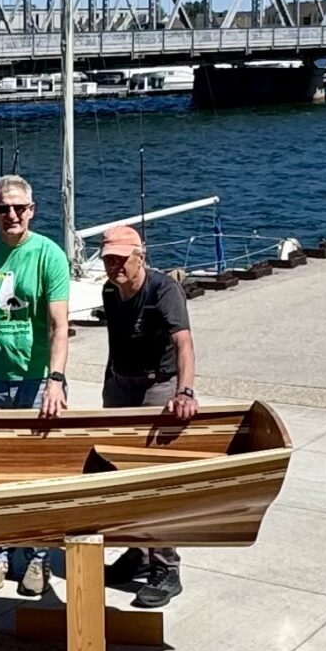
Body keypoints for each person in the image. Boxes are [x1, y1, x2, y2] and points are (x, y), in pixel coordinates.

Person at [0, 173, 71, 597]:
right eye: (3, 208)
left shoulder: (49, 255)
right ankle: (0, 550)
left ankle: (39, 555)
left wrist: (55, 381)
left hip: (37, 378)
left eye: (19, 208)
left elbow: (60, 326)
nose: (12, 215)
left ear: (32, 210)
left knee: (41, 470)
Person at [99, 223, 198, 608]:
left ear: (140, 257)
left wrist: (184, 391)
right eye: (109, 260)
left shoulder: (163, 290)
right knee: (119, 474)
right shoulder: (110, 291)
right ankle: (138, 551)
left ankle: (166, 565)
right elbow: (117, 340)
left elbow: (184, 342)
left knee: (154, 476)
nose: (115, 267)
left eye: (122, 259)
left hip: (158, 386)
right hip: (121, 386)